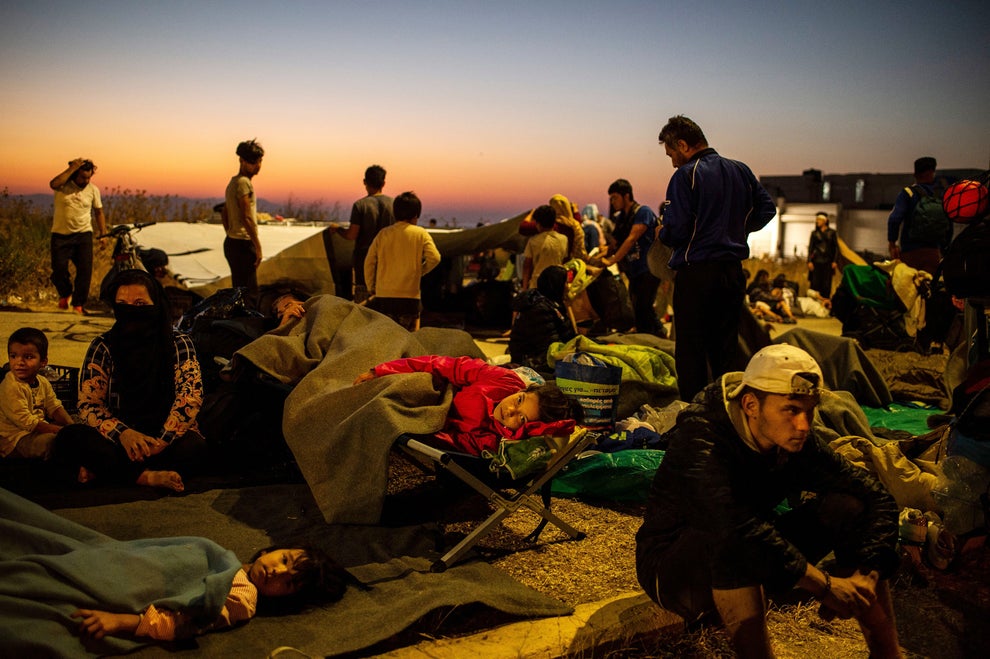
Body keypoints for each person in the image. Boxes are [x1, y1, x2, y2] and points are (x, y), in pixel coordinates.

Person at [636, 344, 902, 659]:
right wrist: (826, 587)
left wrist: (867, 576)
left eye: (810, 410)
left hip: (756, 550)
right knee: (735, 541)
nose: (804, 425)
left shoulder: (794, 439)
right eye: (791, 410)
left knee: (852, 505)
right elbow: (731, 526)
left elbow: (877, 495)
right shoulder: (702, 437)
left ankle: (887, 656)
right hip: (673, 569)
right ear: (750, 404)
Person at [0, 487, 352, 654]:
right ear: (275, 549)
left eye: (288, 583)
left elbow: (186, 622)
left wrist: (120, 622)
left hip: (121, 586)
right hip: (117, 560)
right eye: (285, 560)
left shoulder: (244, 599)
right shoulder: (229, 559)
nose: (277, 572)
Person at [657, 115, 776, 402]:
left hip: (697, 274)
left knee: (691, 351)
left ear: (683, 145)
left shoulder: (686, 175)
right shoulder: (740, 170)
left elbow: (678, 229)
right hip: (732, 273)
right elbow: (767, 209)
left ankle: (694, 412)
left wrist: (663, 232)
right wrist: (737, 230)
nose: (673, 163)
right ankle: (725, 409)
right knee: (725, 348)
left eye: (671, 154)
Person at [69, 269, 208, 492]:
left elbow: (190, 396)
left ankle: (109, 472)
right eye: (122, 304)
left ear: (156, 304)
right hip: (119, 439)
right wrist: (123, 434)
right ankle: (146, 477)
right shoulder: (103, 346)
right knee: (71, 437)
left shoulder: (178, 343)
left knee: (194, 447)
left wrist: (160, 442)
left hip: (165, 438)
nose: (131, 311)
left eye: (140, 304)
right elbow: (89, 405)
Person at [353, 355, 582, 455]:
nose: (510, 410)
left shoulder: (492, 440)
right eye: (519, 400)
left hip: (426, 416)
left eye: (521, 418)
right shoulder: (504, 380)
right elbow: (446, 365)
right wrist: (381, 370)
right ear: (523, 390)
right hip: (437, 389)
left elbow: (441, 438)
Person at [364, 191, 441, 331]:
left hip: (384, 296)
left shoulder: (383, 234)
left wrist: (371, 286)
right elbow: (435, 258)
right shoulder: (421, 233)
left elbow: (369, 262)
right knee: (409, 338)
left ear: (395, 213)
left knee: (386, 337)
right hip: (410, 297)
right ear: (416, 215)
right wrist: (420, 271)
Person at [601, 178, 665, 336]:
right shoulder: (621, 218)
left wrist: (612, 260)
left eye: (615, 198)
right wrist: (596, 258)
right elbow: (614, 244)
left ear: (626, 196)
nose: (612, 202)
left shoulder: (643, 212)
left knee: (644, 307)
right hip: (634, 270)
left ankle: (655, 337)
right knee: (639, 308)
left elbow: (631, 239)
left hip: (649, 268)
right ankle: (655, 335)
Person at [0, 327, 75, 460]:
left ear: (43, 362)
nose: (19, 362)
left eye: (28, 357)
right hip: (15, 439)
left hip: (36, 431)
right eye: (13, 356)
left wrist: (72, 426)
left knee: (78, 430)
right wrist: (62, 431)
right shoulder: (11, 385)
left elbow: (54, 407)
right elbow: (28, 422)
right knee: (54, 443)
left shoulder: (43, 381)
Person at [324, 164, 394, 302]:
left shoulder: (360, 205)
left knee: (363, 298)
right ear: (383, 183)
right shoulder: (393, 204)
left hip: (364, 258)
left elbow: (351, 235)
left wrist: (337, 229)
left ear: (364, 182)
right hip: (388, 257)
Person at [49, 158, 107, 313]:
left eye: (89, 177)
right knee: (58, 269)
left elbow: (99, 212)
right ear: (75, 174)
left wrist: (103, 234)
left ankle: (78, 304)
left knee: (85, 270)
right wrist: (71, 169)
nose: (86, 181)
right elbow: (53, 184)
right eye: (83, 177)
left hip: (83, 234)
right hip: (60, 235)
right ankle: (65, 293)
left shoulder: (93, 190)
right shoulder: (63, 186)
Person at [887, 156, 950, 276]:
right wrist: (943, 249)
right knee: (929, 285)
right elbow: (948, 225)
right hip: (933, 253)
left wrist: (892, 243)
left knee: (905, 285)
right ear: (932, 173)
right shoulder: (939, 196)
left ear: (915, 175)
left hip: (909, 253)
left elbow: (894, 219)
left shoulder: (908, 193)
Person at [509, 265, 577, 376]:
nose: (568, 287)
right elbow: (551, 347)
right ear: (556, 284)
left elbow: (570, 336)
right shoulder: (540, 309)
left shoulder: (551, 304)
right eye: (565, 283)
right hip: (533, 364)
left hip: (541, 359)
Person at [222, 139, 265, 301]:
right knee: (249, 295)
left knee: (239, 293)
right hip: (243, 245)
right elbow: (246, 216)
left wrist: (230, 232)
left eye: (259, 161)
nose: (257, 165)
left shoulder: (233, 182)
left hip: (233, 242)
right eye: (253, 162)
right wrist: (257, 246)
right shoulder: (243, 183)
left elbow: (224, 212)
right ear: (242, 161)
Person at [522, 205, 568, 290]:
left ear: (538, 224)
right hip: (556, 284)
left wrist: (524, 288)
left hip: (537, 285)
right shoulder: (564, 239)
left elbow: (527, 266)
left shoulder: (533, 241)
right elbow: (563, 260)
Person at [807, 212, 839, 299]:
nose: (817, 221)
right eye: (817, 220)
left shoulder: (832, 233)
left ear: (825, 221)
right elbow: (810, 248)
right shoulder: (814, 233)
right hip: (816, 261)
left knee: (826, 284)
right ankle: (814, 301)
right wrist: (809, 261)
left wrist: (835, 261)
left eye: (819, 220)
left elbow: (836, 248)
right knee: (815, 283)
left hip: (828, 262)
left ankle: (825, 300)